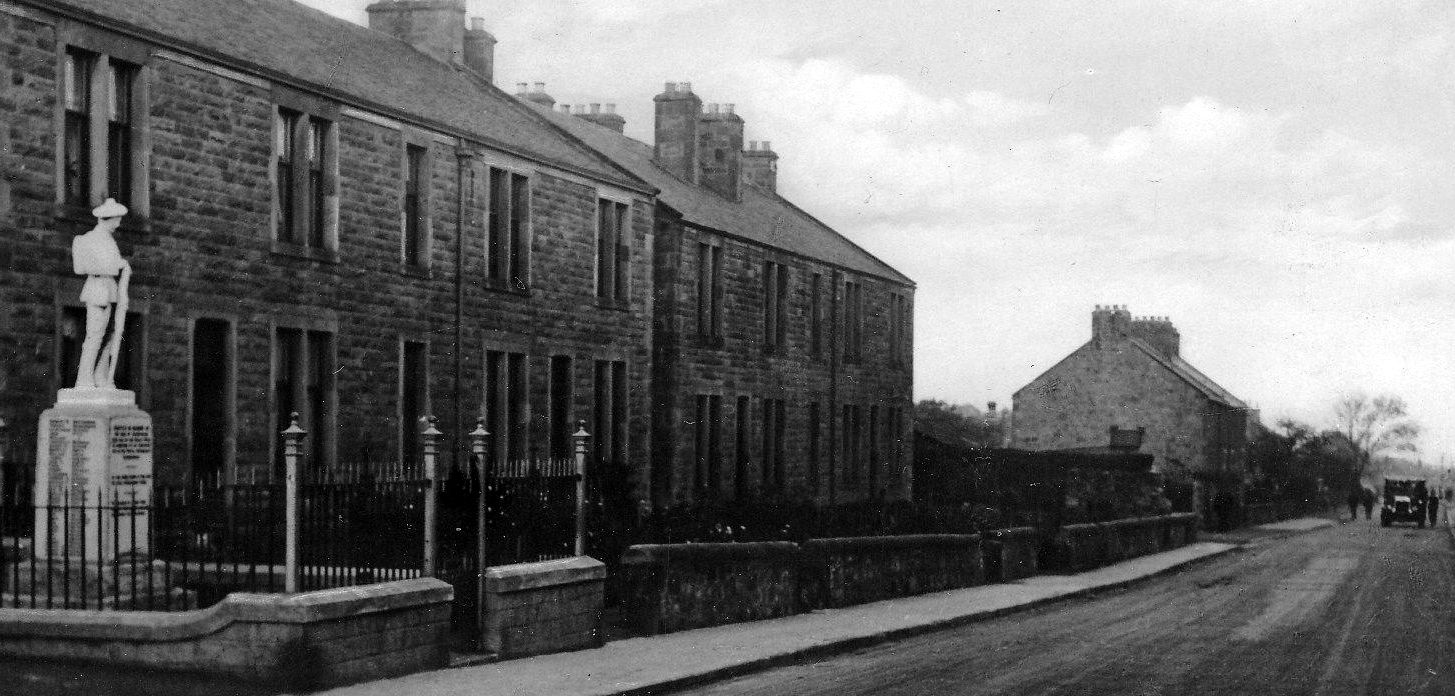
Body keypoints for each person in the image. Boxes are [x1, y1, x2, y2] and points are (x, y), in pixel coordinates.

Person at [71, 198, 130, 389]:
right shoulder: (87, 240)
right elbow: (81, 267)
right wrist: (113, 267)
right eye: (116, 220)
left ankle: (100, 375)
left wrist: (121, 265)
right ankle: (84, 378)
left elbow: (114, 263)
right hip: (97, 290)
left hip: (110, 291)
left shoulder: (110, 242)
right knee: (94, 336)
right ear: (106, 219)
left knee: (111, 336)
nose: (118, 224)